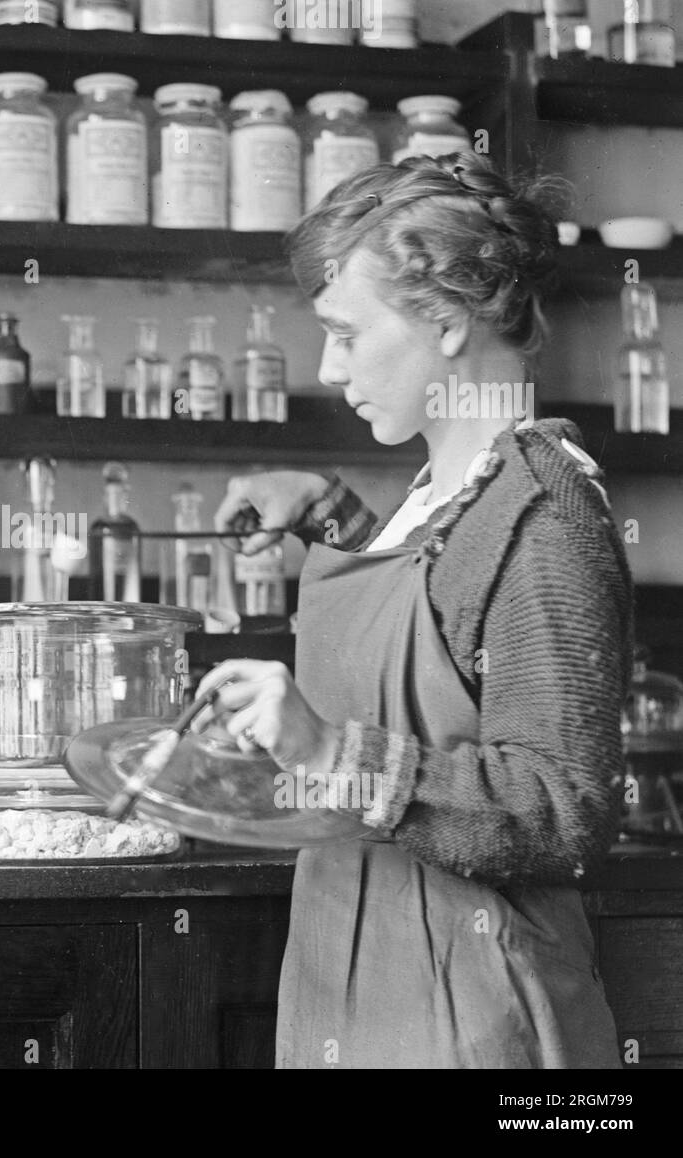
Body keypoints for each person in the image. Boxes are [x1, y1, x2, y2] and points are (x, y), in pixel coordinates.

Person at [199, 152, 633, 1069]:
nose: (327, 366)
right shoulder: (451, 491)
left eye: (346, 334)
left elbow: (563, 811)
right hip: (368, 993)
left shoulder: (545, 514)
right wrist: (326, 508)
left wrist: (326, 751)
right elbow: (441, 620)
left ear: (443, 322)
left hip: (479, 1023)